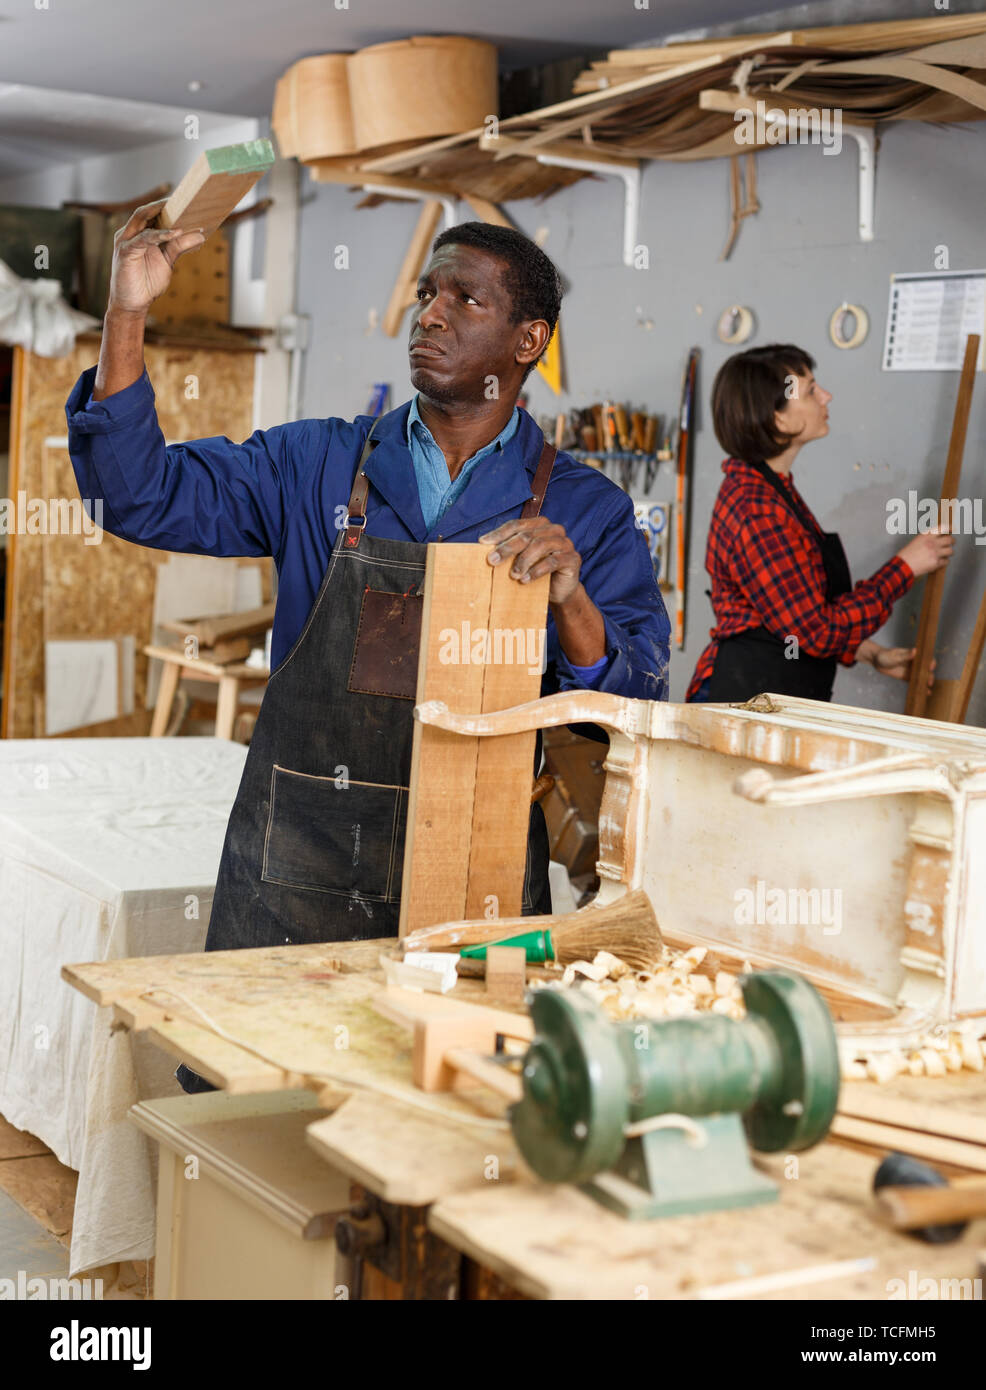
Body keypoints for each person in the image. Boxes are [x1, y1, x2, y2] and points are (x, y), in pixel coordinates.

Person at [67, 205, 669, 957]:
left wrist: (571, 598)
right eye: (426, 293)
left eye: (464, 299)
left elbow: (634, 713)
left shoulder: (590, 512)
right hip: (298, 867)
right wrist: (127, 311)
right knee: (270, 1066)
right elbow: (131, 494)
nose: (430, 315)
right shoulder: (313, 463)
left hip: (475, 875)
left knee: (453, 1070)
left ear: (529, 341)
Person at [687, 343, 953, 703]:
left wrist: (871, 653)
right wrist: (904, 568)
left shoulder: (773, 490)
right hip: (744, 703)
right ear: (778, 418)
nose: (826, 396)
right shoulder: (757, 510)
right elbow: (814, 630)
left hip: (767, 697)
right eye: (810, 390)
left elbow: (791, 621)